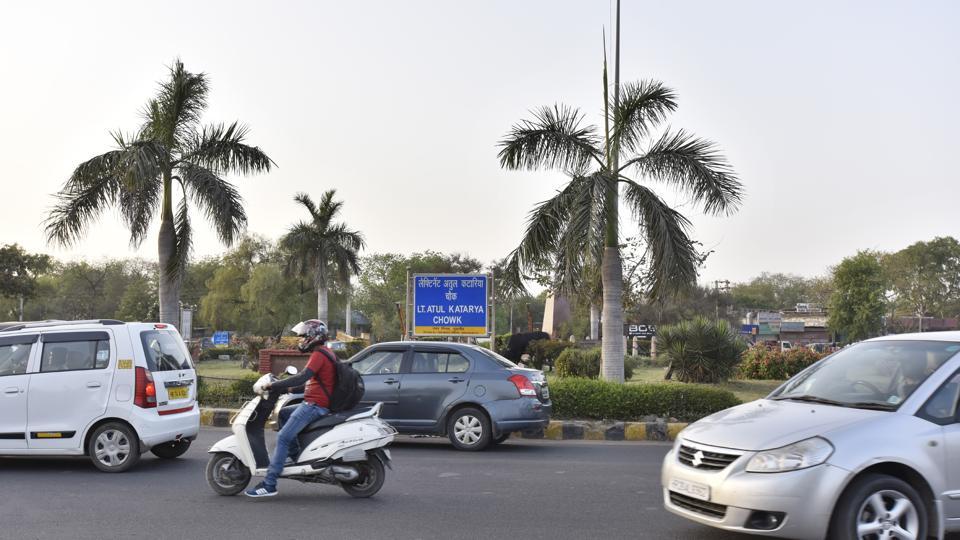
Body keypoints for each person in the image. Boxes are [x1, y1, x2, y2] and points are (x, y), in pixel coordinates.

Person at [245, 319, 337, 498]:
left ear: (313, 336)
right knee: (284, 414)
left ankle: (270, 484)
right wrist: (288, 389)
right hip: (316, 402)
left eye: (303, 337)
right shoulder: (326, 352)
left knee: (283, 437)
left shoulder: (319, 355)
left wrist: (275, 386)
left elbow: (302, 377)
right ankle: (294, 457)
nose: (301, 341)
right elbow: (314, 383)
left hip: (314, 406)